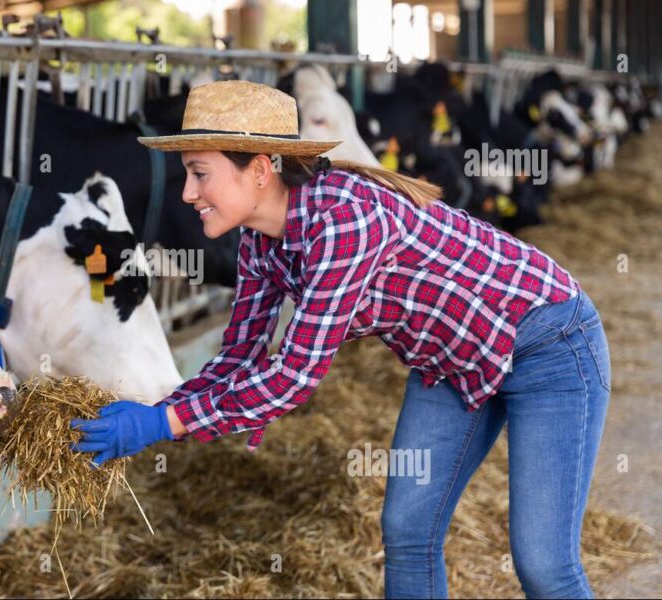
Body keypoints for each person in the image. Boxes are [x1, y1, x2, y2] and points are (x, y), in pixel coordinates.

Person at [70, 80, 610, 599]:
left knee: (542, 563)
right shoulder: (260, 243)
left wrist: (161, 425)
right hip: (451, 361)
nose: (188, 193)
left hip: (547, 343)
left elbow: (295, 376)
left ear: (259, 170)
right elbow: (240, 356)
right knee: (406, 531)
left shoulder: (344, 219)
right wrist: (159, 408)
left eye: (199, 174)